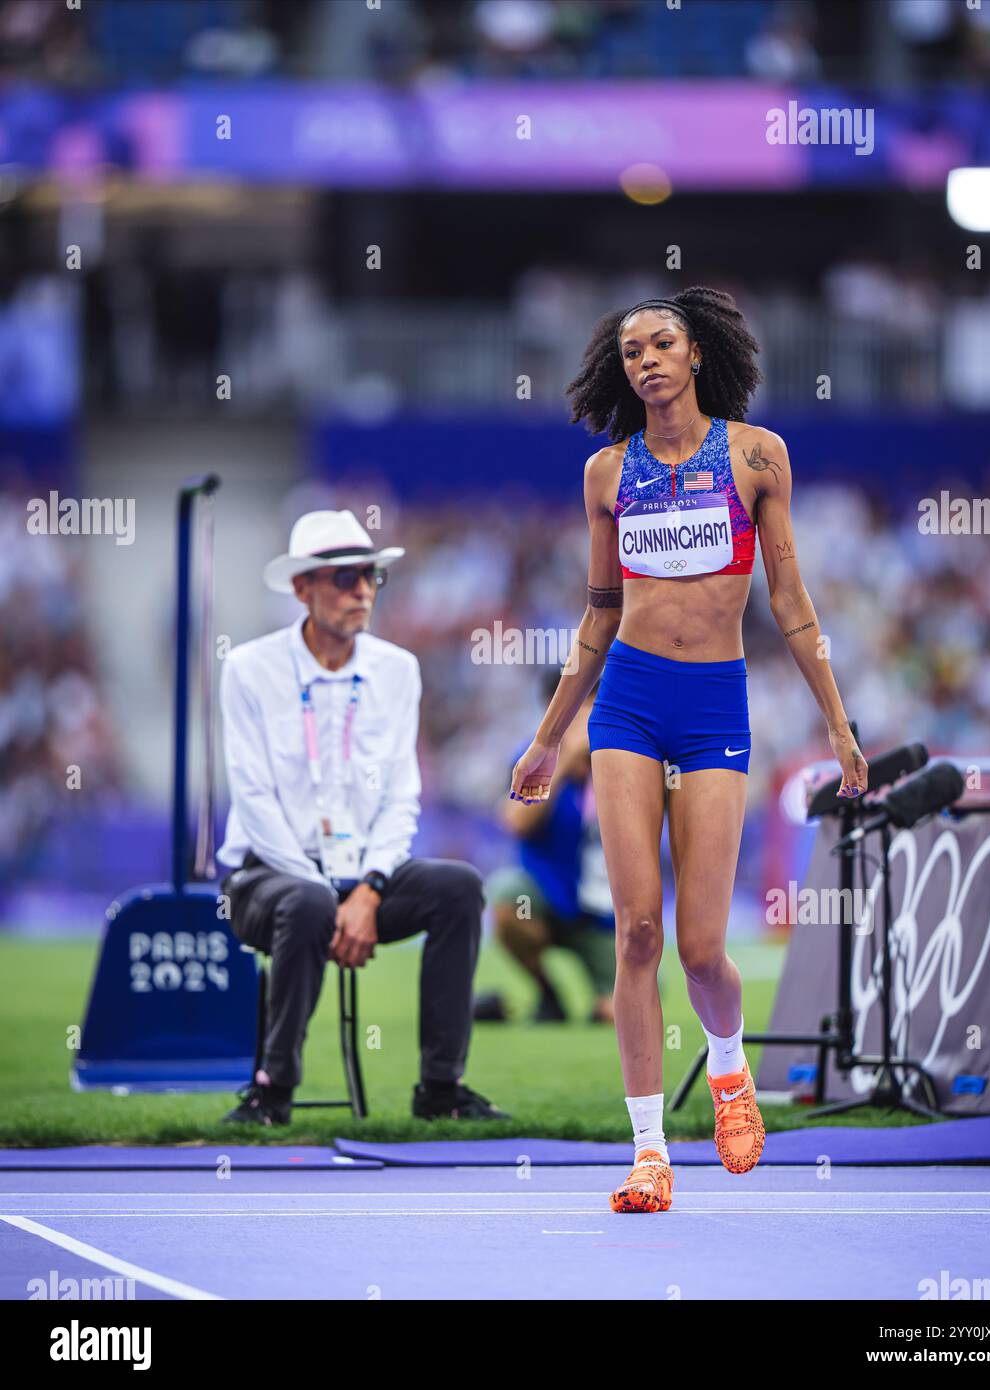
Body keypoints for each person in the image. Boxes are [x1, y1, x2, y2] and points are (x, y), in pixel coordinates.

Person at [510, 287, 868, 1212]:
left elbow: (788, 604)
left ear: (696, 352)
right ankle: (647, 1154)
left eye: (662, 343)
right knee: (637, 932)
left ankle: (728, 1071)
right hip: (626, 702)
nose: (646, 362)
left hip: (714, 705)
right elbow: (596, 615)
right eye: (631, 352)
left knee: (703, 948)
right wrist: (550, 737)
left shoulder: (755, 455)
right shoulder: (606, 473)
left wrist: (838, 721)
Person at [217, 508, 508, 1125]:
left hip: (363, 880)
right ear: (302, 589)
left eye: (372, 577)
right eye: (345, 578)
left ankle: (441, 1088)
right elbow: (254, 800)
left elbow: (403, 793)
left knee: (458, 887)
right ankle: (271, 1090)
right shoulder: (248, 669)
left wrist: (371, 889)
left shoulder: (397, 670)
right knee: (308, 903)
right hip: (265, 878)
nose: (363, 592)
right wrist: (331, 892)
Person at [476, 676, 616, 1025]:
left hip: (603, 914)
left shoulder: (621, 759)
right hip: (546, 898)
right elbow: (516, 822)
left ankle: (605, 995)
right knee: (507, 900)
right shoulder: (534, 756)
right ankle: (547, 993)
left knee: (622, 1012)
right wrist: (566, 760)